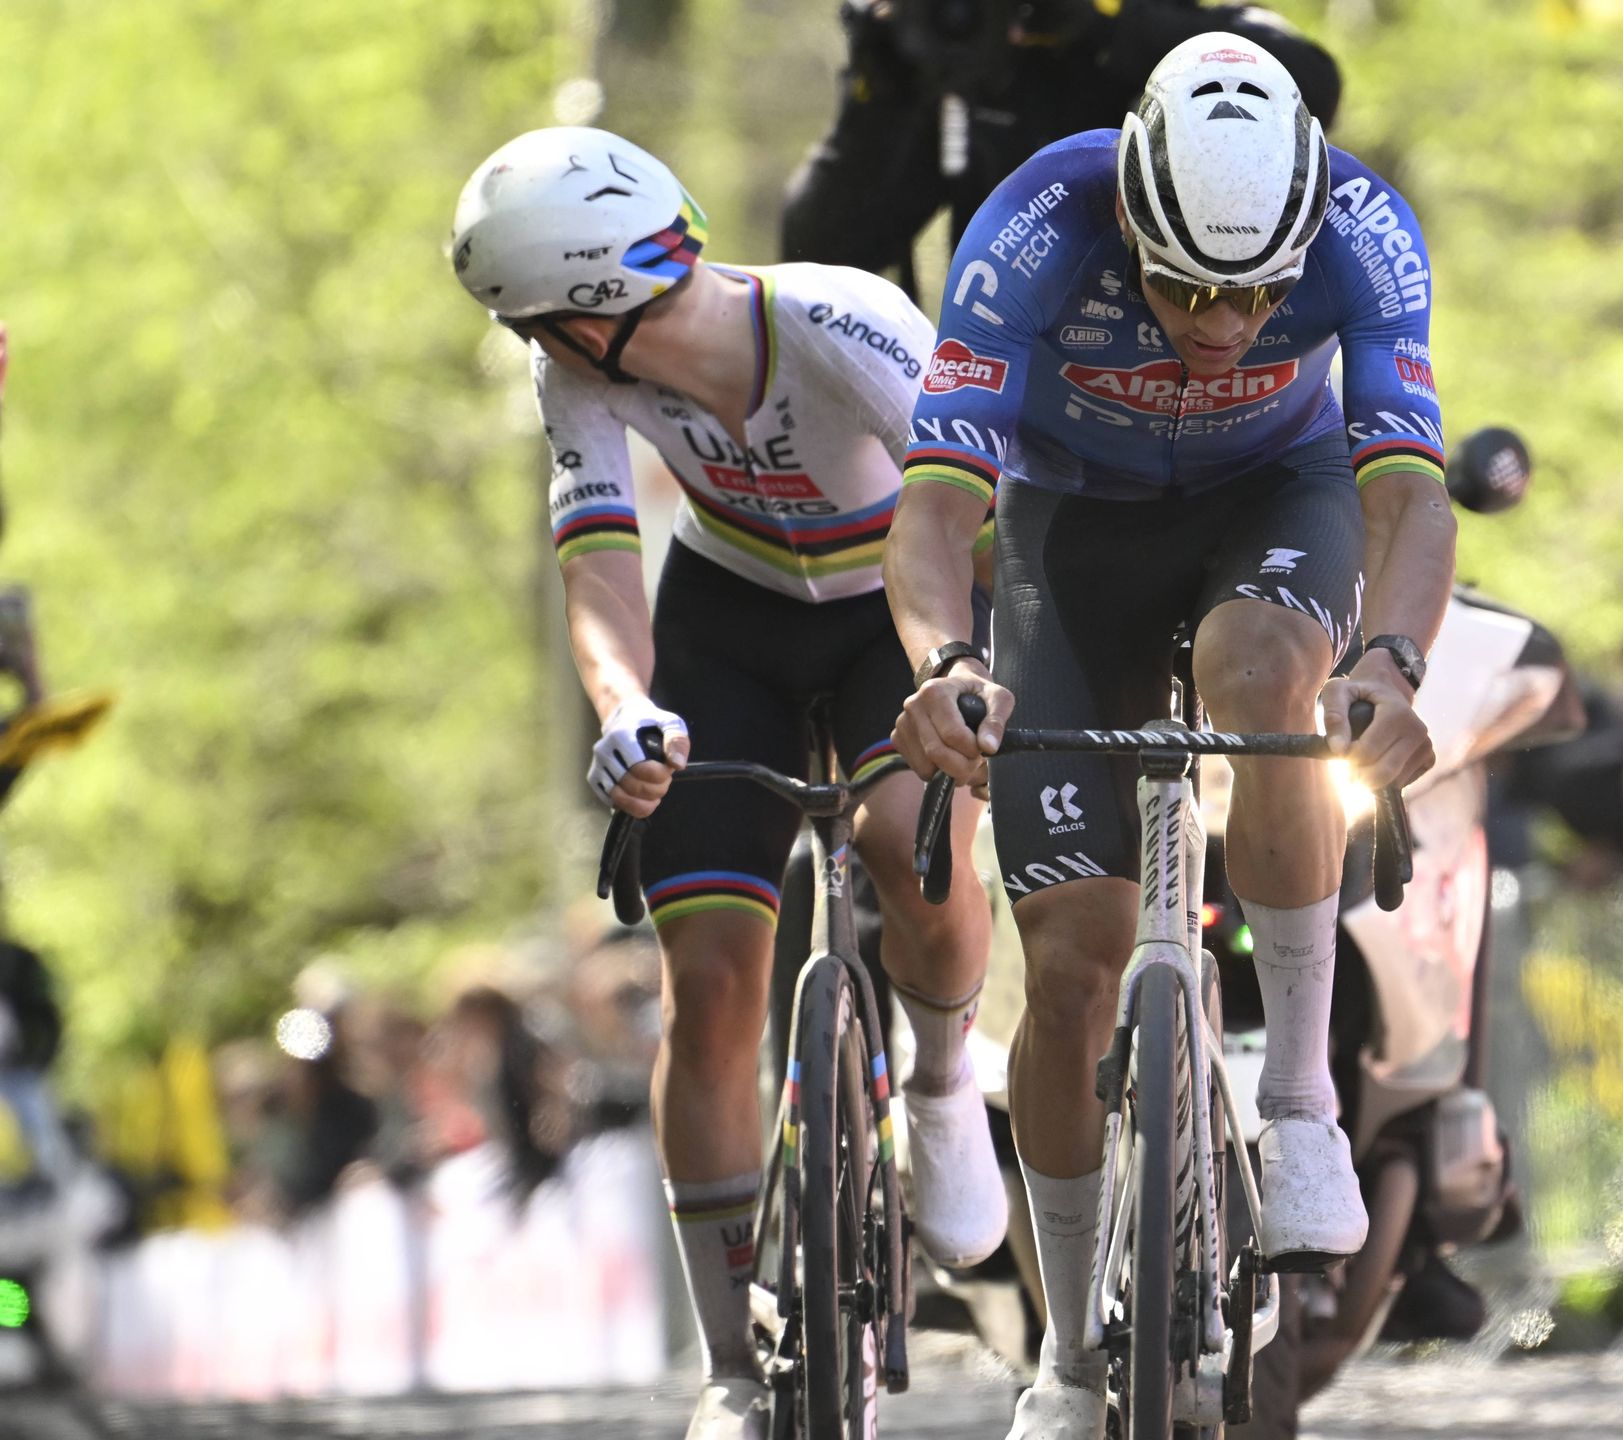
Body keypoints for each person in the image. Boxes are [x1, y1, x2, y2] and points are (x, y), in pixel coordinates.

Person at [881, 35, 1451, 1439]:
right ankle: (1070, 1350)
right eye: (1184, 287)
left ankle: (1306, 1101)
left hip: (1276, 493)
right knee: (1070, 977)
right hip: (1073, 530)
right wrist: (945, 663)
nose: (1216, 324)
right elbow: (938, 507)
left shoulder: (1365, 227)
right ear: (1128, 214)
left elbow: (1409, 495)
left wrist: (1390, 661)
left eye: (1254, 295)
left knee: (1263, 672)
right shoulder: (1034, 224)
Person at [447, 127, 1006, 1440]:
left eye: (534, 322)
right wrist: (627, 706)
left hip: (895, 612)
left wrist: (967, 671)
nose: (532, 347)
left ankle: (935, 1077)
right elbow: (600, 566)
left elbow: (984, 511)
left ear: (593, 318)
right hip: (728, 615)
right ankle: (731, 1369)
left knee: (908, 842)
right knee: (708, 992)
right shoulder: (575, 380)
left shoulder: (841, 321)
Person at [781, 0, 1340, 293]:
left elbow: (1312, 84)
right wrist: (878, 97)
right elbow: (824, 251)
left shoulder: (1184, 40)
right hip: (1021, 365)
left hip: (1186, 348)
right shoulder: (975, 59)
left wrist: (1110, 26)